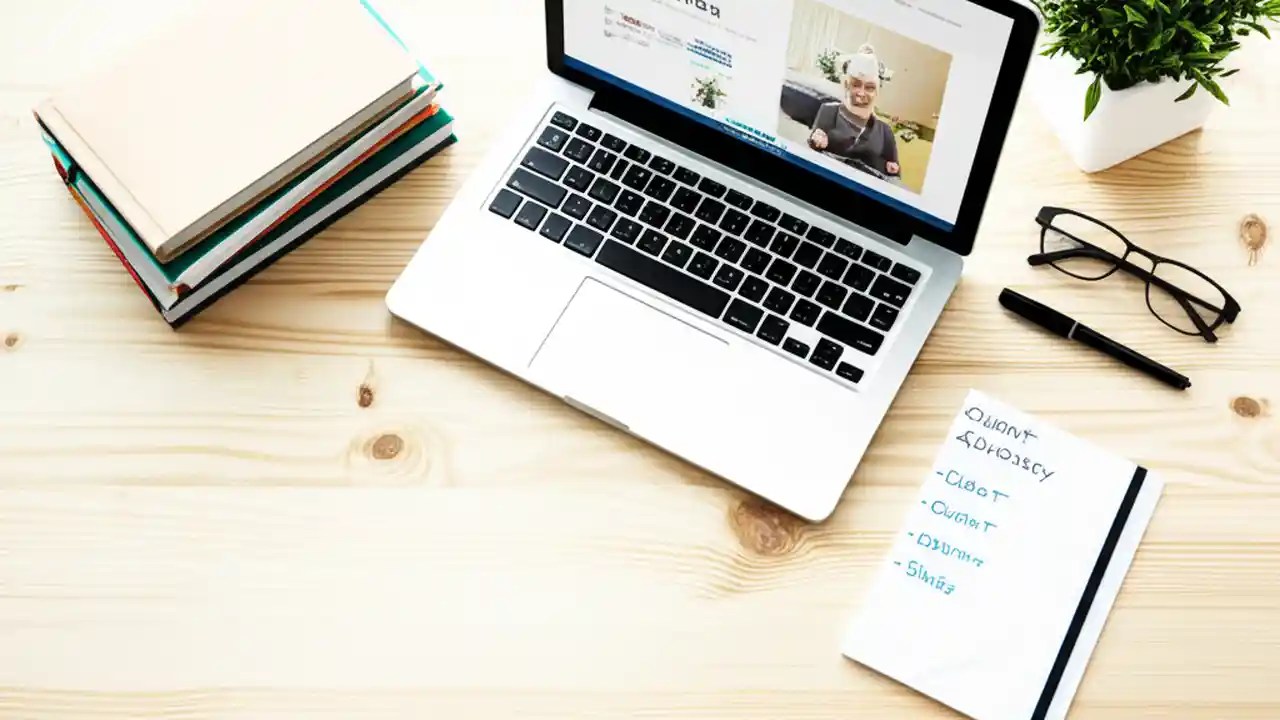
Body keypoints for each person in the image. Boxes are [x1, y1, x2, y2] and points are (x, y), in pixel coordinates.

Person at [807, 51, 900, 178]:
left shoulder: (885, 131)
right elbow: (812, 151)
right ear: (846, 85)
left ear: (877, 91)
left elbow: (894, 175)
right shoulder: (829, 111)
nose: (861, 93)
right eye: (856, 85)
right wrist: (816, 141)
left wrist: (889, 168)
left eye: (869, 88)